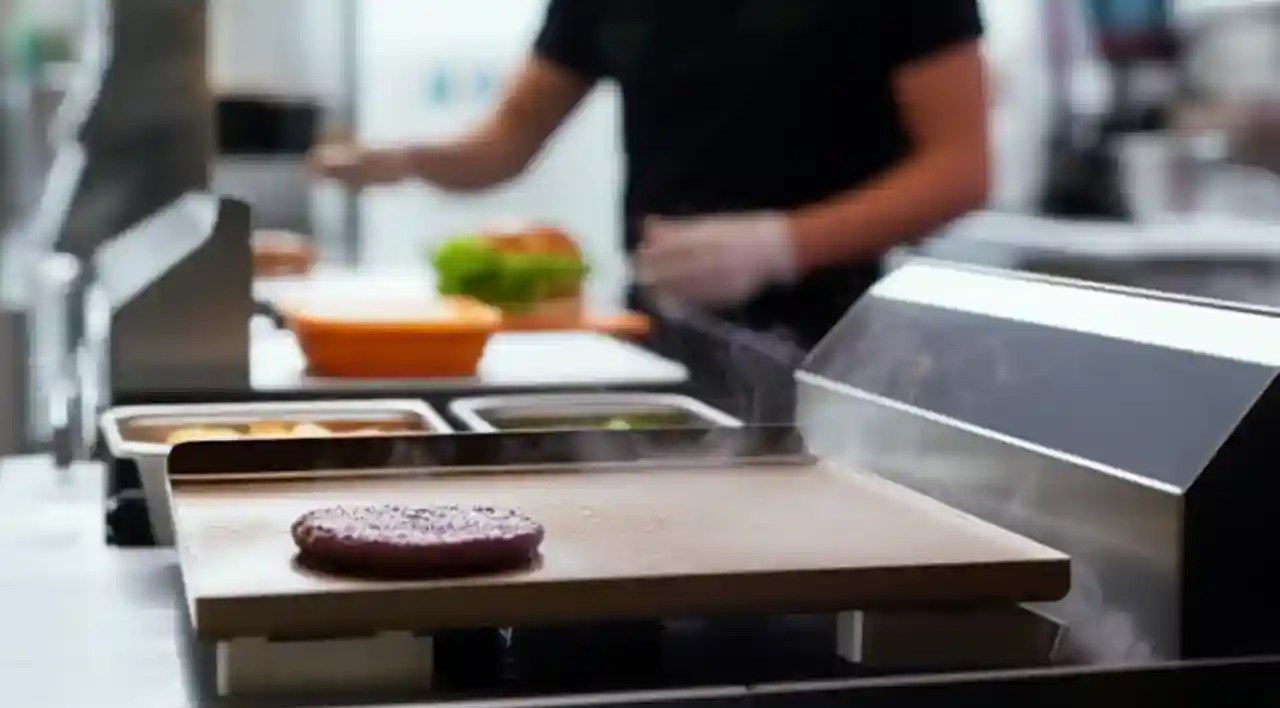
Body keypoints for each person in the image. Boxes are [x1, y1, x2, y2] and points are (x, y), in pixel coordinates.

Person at [314, 1, 990, 420]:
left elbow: (961, 169)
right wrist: (401, 159)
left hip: (837, 346)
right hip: (661, 344)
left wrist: (778, 244)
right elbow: (505, 143)